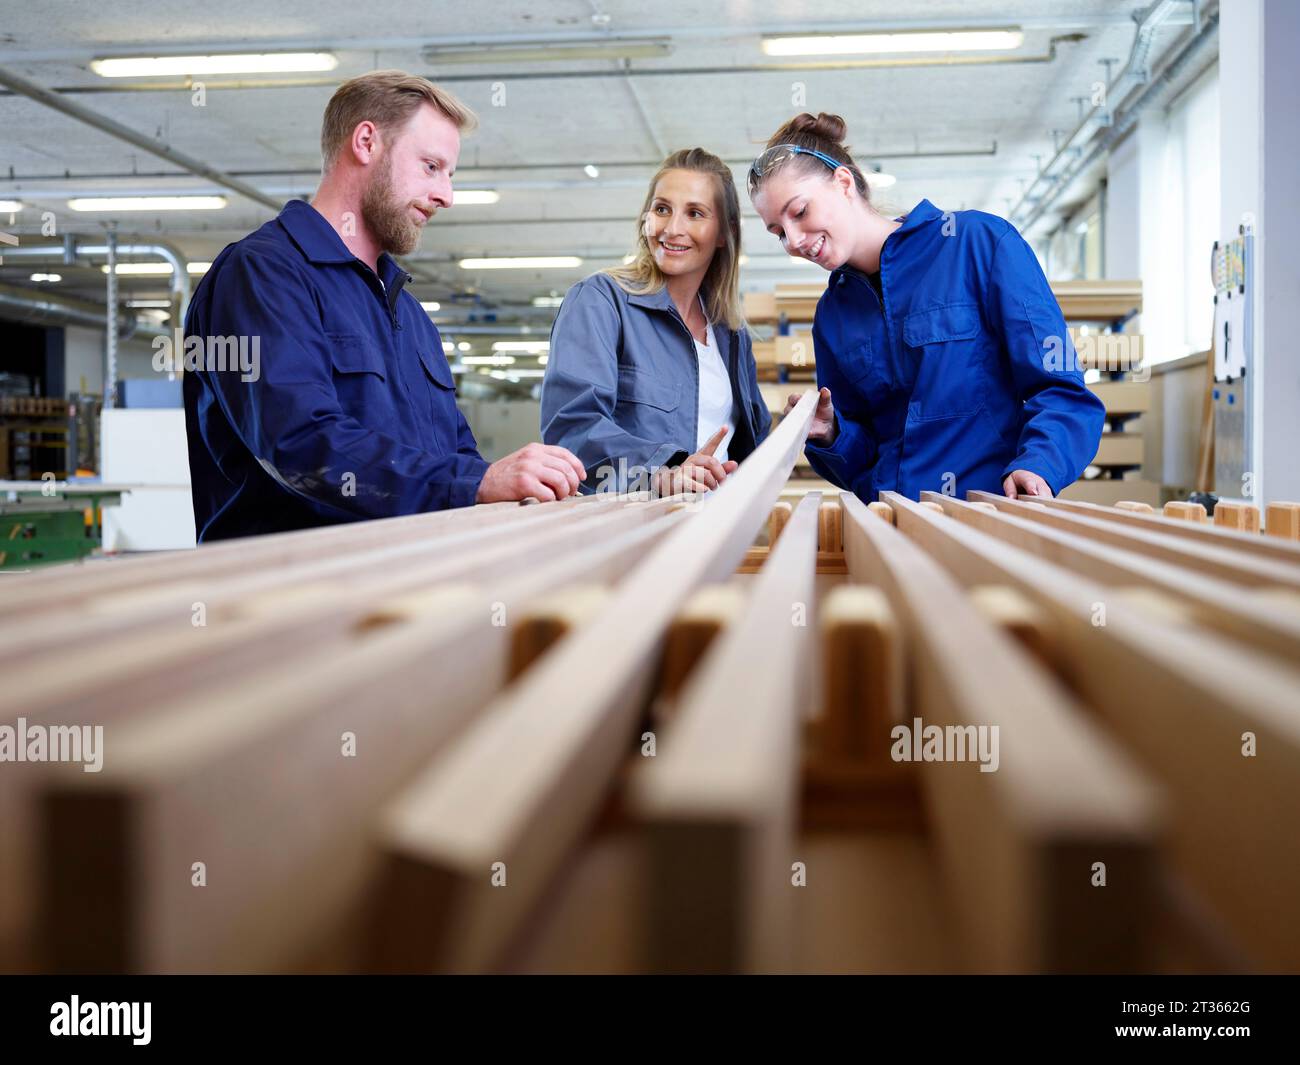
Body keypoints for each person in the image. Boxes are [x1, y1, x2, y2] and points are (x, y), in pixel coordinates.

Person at [183, 69, 585, 541]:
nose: (446, 196)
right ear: (367, 142)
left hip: (399, 582)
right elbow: (301, 447)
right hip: (287, 593)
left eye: (450, 175)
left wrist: (514, 490)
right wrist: (475, 483)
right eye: (431, 167)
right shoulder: (261, 276)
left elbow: (453, 454)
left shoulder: (410, 315)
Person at [749, 112, 1105, 502]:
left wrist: (1040, 465)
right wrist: (833, 434)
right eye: (778, 231)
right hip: (890, 527)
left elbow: (1060, 389)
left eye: (800, 212)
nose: (794, 241)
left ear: (844, 183)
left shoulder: (977, 245)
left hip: (989, 516)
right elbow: (863, 458)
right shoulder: (832, 316)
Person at [541, 147, 770, 495]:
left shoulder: (731, 334)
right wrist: (661, 472)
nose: (673, 228)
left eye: (695, 213)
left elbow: (747, 444)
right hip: (627, 533)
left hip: (714, 531)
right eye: (662, 209)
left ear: (724, 232)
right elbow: (572, 430)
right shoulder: (601, 301)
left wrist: (803, 429)